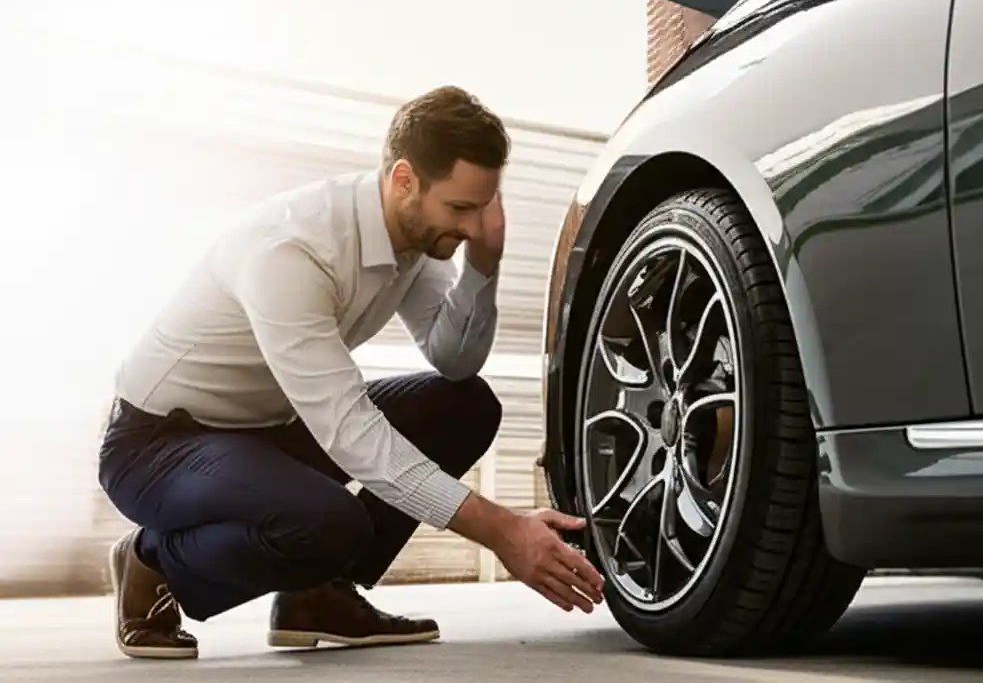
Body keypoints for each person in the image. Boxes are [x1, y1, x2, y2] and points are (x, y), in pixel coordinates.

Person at [96, 85, 604, 660]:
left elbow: (454, 360)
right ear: (405, 180)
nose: (471, 224)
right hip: (160, 444)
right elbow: (347, 429)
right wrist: (502, 530)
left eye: (482, 207)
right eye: (461, 209)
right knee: (331, 522)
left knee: (465, 405)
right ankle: (151, 562)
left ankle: (319, 594)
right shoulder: (291, 250)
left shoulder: (409, 236)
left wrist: (483, 265)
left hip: (267, 429)